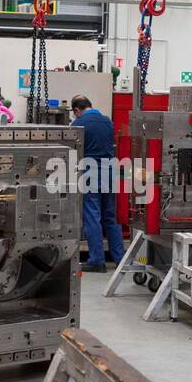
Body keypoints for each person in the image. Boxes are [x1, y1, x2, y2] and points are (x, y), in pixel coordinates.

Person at [70, 95, 124, 273]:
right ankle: (120, 259)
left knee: (92, 216)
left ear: (77, 110)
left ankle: (97, 261)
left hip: (90, 171)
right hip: (110, 171)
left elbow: (72, 148)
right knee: (110, 217)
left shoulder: (79, 123)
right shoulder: (108, 121)